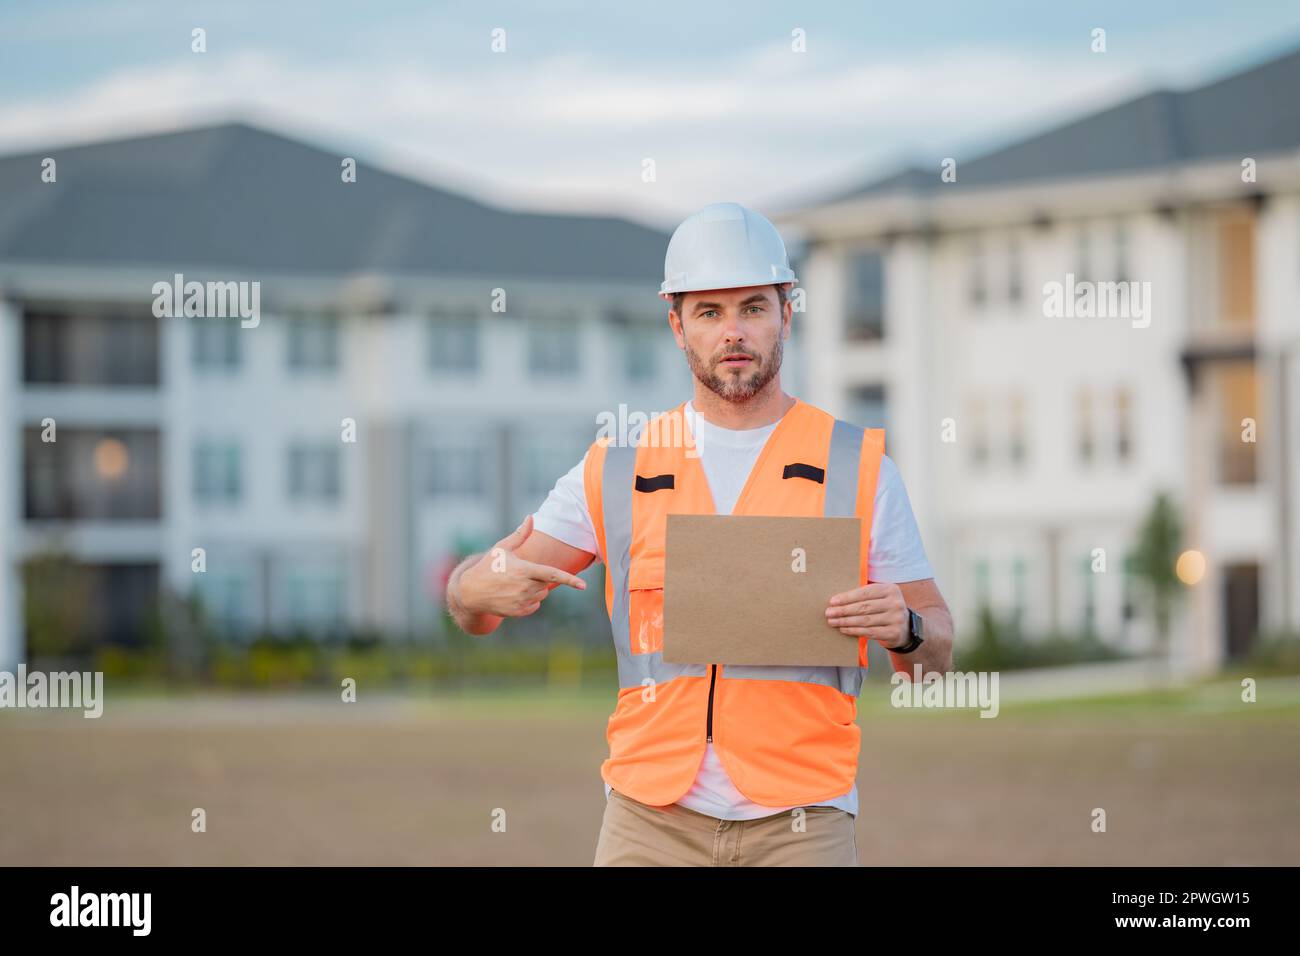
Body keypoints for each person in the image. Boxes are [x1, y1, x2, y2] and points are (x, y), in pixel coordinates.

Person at [445, 201, 953, 866]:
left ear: (787, 315)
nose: (732, 332)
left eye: (753, 308)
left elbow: (933, 664)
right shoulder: (619, 467)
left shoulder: (860, 467)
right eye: (709, 312)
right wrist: (473, 590)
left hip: (804, 821)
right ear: (677, 325)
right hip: (648, 819)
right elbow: (476, 607)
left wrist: (907, 628)